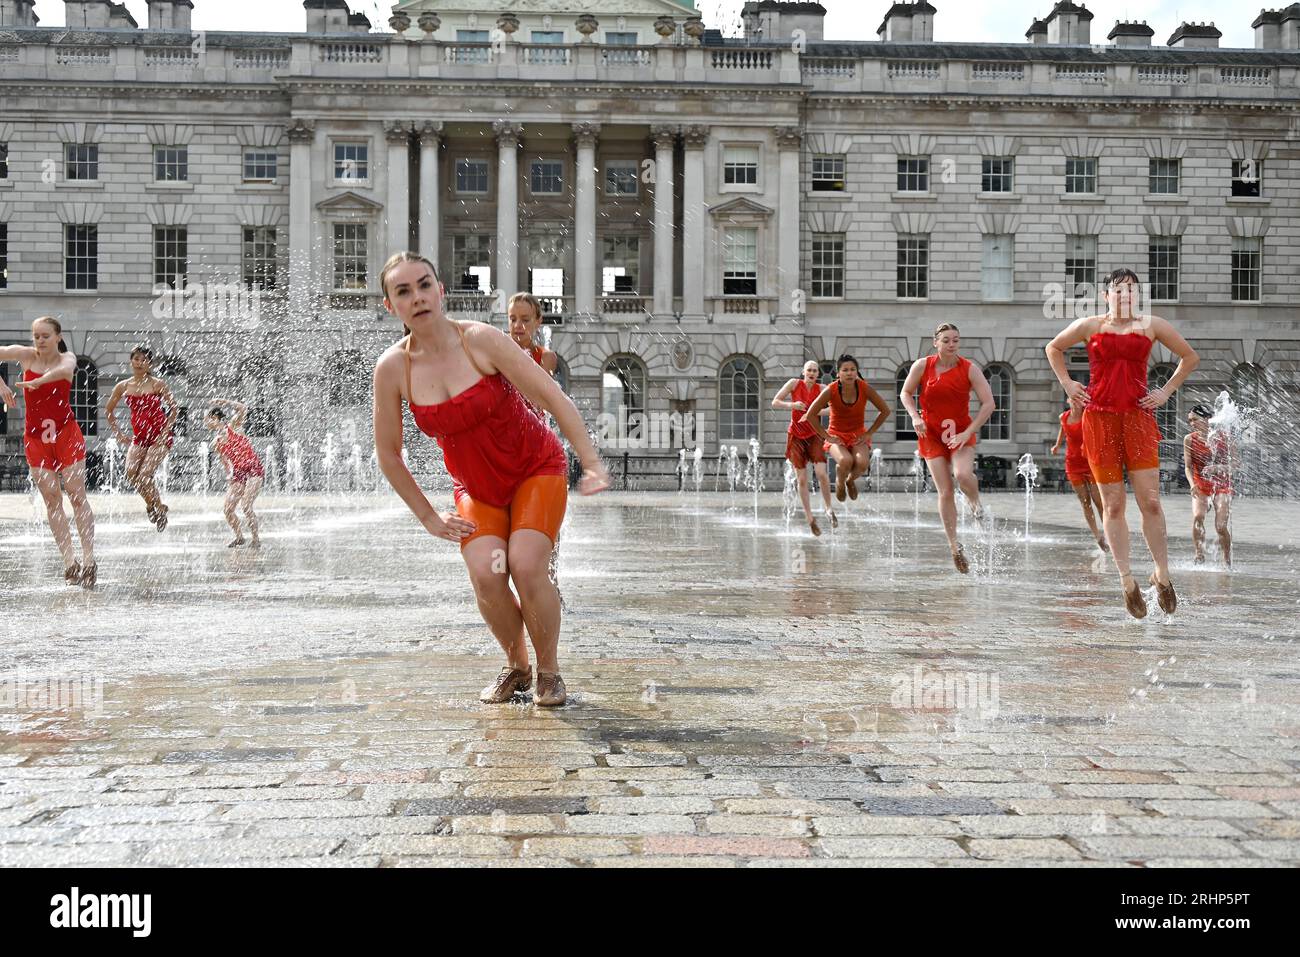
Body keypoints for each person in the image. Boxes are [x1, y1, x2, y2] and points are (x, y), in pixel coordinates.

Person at [372, 252, 610, 708]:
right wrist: (427, 517)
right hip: (477, 489)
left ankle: (550, 671)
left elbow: (553, 397)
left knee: (523, 563)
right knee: (486, 571)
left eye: (424, 285)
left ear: (440, 290)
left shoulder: (480, 341)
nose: (417, 297)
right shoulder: (392, 369)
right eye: (403, 291)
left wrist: (591, 461)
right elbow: (388, 455)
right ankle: (517, 666)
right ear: (390, 305)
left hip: (535, 469)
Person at [1046, 267, 1200, 618]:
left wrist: (1165, 391)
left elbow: (1190, 357)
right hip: (1099, 419)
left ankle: (1162, 574)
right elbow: (1053, 348)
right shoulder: (1091, 326)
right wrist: (1068, 384)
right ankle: (1127, 581)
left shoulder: (1152, 325)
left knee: (1150, 501)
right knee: (1113, 506)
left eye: (1131, 290)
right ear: (1106, 296)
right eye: (1118, 290)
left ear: (1138, 295)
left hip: (1138, 418)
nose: (1125, 295)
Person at [0, 317, 97, 587]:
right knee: (52, 500)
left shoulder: (68, 358)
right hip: (36, 438)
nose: (39, 341)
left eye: (45, 336)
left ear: (57, 336)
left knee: (77, 495)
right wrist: (2, 386)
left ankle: (89, 560)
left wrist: (39, 381)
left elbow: (63, 373)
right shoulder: (25, 355)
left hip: (66, 434)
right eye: (36, 336)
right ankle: (70, 563)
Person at [898, 324, 997, 574]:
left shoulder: (969, 369)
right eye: (946, 340)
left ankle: (975, 504)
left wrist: (968, 431)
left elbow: (989, 404)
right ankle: (955, 547)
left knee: (963, 475)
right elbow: (906, 393)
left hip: (960, 432)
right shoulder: (923, 366)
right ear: (936, 343)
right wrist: (914, 416)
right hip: (931, 434)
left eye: (955, 340)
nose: (951, 345)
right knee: (945, 491)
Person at [801, 354, 890, 505]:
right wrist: (826, 436)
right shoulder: (831, 389)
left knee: (862, 464)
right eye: (845, 370)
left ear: (857, 372)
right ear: (838, 373)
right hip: (837, 435)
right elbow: (810, 414)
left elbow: (885, 410)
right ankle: (840, 482)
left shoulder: (864, 388)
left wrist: (869, 433)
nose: (849, 373)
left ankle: (849, 481)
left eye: (852, 369)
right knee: (845, 460)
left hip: (858, 434)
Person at [106, 346, 178, 531]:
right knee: (131, 473)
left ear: (150, 364)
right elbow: (108, 410)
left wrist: (165, 432)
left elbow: (174, 409)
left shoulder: (157, 384)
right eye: (136, 359)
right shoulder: (123, 386)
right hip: (140, 437)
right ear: (131, 361)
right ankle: (153, 505)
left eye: (144, 360)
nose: (139, 363)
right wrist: (119, 434)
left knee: (145, 476)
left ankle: (159, 508)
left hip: (159, 436)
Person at [772, 360, 836, 536]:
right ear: (803, 372)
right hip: (796, 437)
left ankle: (828, 508)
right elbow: (775, 402)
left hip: (814, 434)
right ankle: (810, 519)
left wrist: (813, 413)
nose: (812, 373)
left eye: (815, 371)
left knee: (822, 473)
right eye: (809, 370)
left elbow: (833, 410)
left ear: (818, 374)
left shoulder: (822, 388)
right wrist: (792, 405)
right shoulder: (794, 384)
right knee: (801, 479)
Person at [204, 398, 264, 548]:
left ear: (215, 418)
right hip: (238, 473)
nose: (204, 423)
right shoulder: (216, 442)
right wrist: (230, 475)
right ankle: (239, 537)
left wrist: (226, 402)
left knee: (246, 506)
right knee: (228, 509)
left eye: (206, 419)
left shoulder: (234, 426)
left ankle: (256, 540)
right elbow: (225, 460)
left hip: (253, 469)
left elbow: (243, 408)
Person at [1051, 402, 1107, 552]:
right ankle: (1098, 536)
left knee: (1098, 501)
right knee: (1085, 502)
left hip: (1090, 462)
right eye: (1073, 399)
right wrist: (1057, 445)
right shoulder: (1063, 416)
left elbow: (1098, 432)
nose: (1077, 403)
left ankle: (1108, 533)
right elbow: (1063, 430)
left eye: (1079, 400)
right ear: (1069, 400)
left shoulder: (1087, 415)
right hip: (1073, 464)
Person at [1184, 404, 1235, 567]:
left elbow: (1236, 465)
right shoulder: (1189, 439)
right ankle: (1199, 554)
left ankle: (1226, 559)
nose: (1191, 423)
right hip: (1200, 484)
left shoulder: (1224, 437)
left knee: (1220, 526)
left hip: (1221, 486)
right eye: (1189, 420)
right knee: (1198, 517)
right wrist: (1192, 484)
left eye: (1194, 420)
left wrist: (1218, 467)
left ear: (1206, 419)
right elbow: (1187, 467)